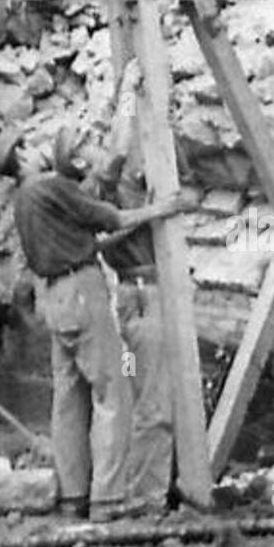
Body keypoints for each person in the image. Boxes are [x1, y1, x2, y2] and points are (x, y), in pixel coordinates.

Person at [0, 126, 190, 521]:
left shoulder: (23, 201)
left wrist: (131, 223)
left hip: (54, 300)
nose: (39, 150)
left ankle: (72, 495)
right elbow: (110, 219)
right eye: (30, 147)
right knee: (113, 395)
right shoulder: (49, 185)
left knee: (68, 399)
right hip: (82, 292)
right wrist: (162, 209)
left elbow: (88, 240)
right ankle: (109, 498)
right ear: (22, 157)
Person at [75, 120, 181, 519]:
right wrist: (152, 213)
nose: (102, 148)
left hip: (136, 295)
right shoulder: (95, 194)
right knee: (153, 402)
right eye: (90, 143)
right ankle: (146, 501)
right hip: (142, 296)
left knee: (145, 396)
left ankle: (144, 487)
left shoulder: (117, 185)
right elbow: (99, 240)